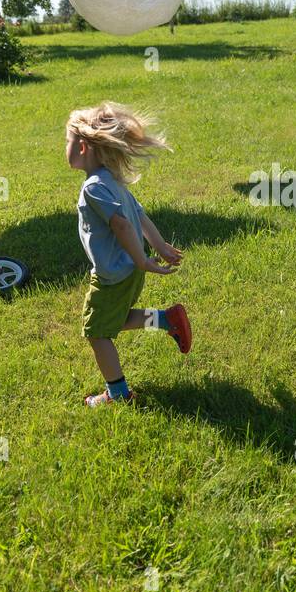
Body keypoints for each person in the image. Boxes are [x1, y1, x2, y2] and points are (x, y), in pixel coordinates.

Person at [65, 102, 191, 406]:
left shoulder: (94, 188)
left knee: (96, 332)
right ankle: (166, 320)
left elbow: (122, 225)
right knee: (113, 319)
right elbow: (141, 216)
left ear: (83, 147)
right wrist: (158, 248)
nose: (64, 148)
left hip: (114, 274)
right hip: (129, 271)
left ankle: (117, 394)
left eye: (66, 142)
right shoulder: (113, 182)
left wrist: (143, 259)